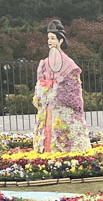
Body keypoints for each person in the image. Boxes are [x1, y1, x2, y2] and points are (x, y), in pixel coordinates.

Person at [32, 19, 92, 153]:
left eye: (53, 38)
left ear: (60, 41)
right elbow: (39, 84)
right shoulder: (45, 63)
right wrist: (44, 92)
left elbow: (73, 90)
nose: (49, 41)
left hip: (62, 109)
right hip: (48, 109)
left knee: (63, 135)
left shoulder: (69, 64)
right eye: (48, 38)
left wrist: (55, 91)